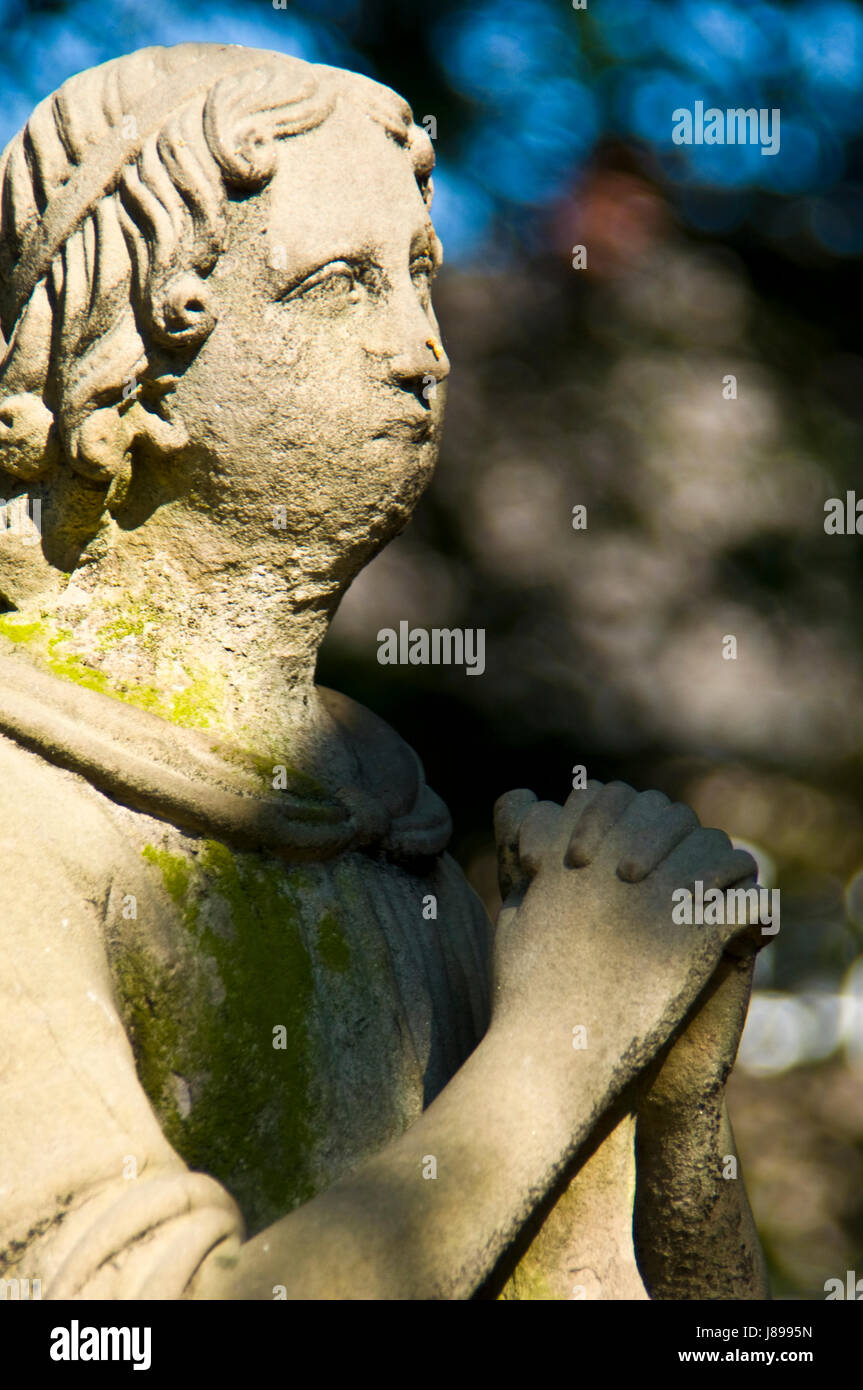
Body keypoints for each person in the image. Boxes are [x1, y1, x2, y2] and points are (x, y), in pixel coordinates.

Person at [0, 42, 767, 1299]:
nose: (423, 352)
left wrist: (660, 1108)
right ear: (126, 373)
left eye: (420, 279)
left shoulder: (380, 833)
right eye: (338, 284)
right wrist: (554, 1056)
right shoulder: (21, 815)